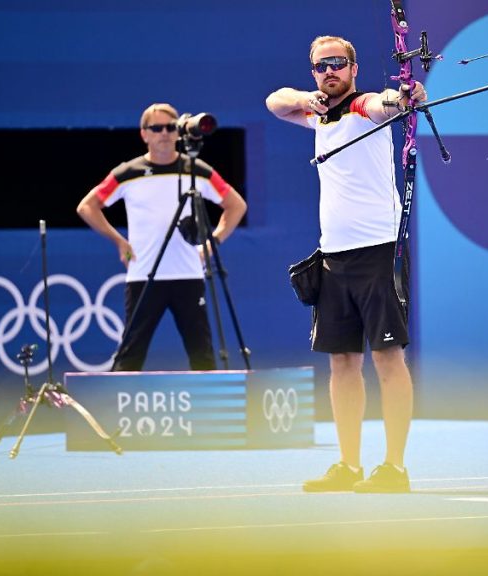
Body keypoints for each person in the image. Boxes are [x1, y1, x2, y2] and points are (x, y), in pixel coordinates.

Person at [265, 36, 426, 493]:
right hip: (333, 255)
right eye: (321, 65)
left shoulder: (364, 107)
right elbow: (275, 102)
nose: (329, 71)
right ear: (313, 71)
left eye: (338, 63)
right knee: (342, 362)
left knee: (388, 358)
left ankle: (394, 467)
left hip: (379, 251)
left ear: (354, 68)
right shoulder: (316, 112)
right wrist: (304, 97)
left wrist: (405, 96)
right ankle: (349, 465)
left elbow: (386, 105)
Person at [77, 102, 247, 372]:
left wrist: (212, 242)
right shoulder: (127, 173)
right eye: (157, 128)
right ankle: (119, 413)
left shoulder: (198, 169)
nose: (164, 134)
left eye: (170, 127)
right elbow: (87, 206)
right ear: (144, 133)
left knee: (202, 354)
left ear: (179, 131)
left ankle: (211, 411)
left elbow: (236, 205)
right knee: (130, 355)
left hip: (189, 274)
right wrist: (119, 241)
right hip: (144, 275)